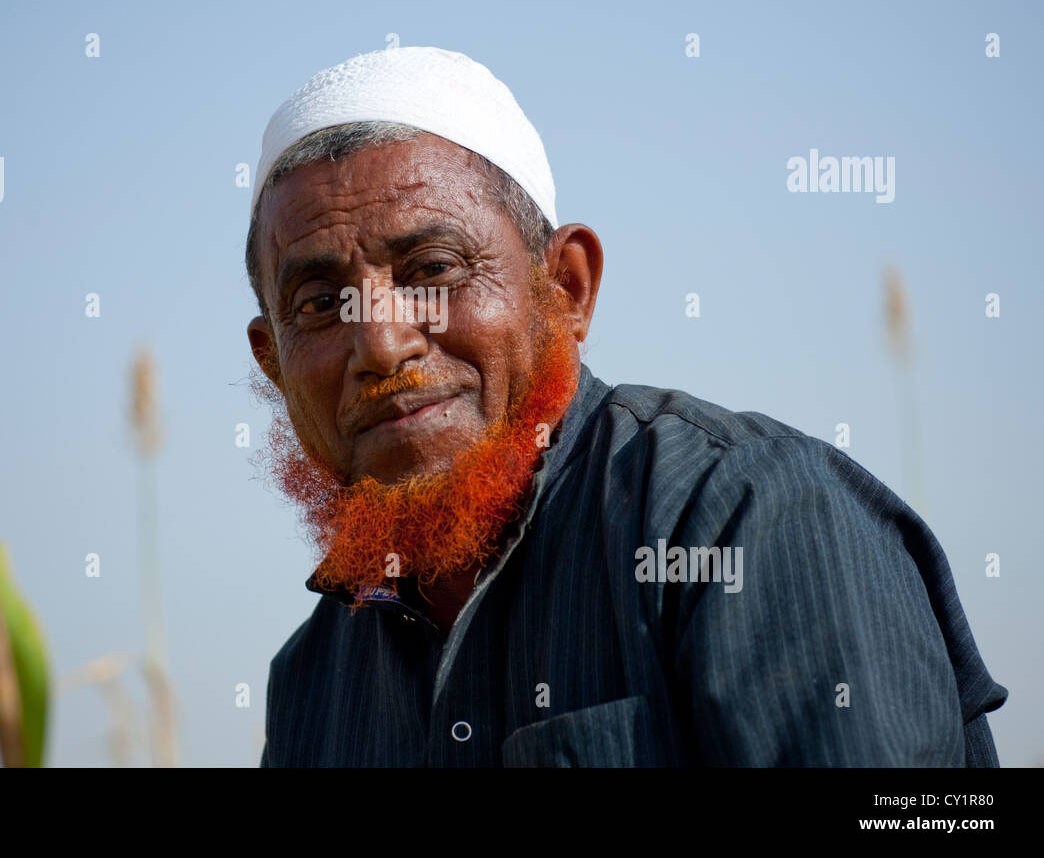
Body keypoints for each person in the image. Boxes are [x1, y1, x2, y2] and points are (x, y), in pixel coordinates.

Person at [245, 46, 1006, 767]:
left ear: (566, 289)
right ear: (273, 362)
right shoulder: (313, 679)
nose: (379, 344)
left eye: (434, 268)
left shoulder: (745, 519)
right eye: (319, 303)